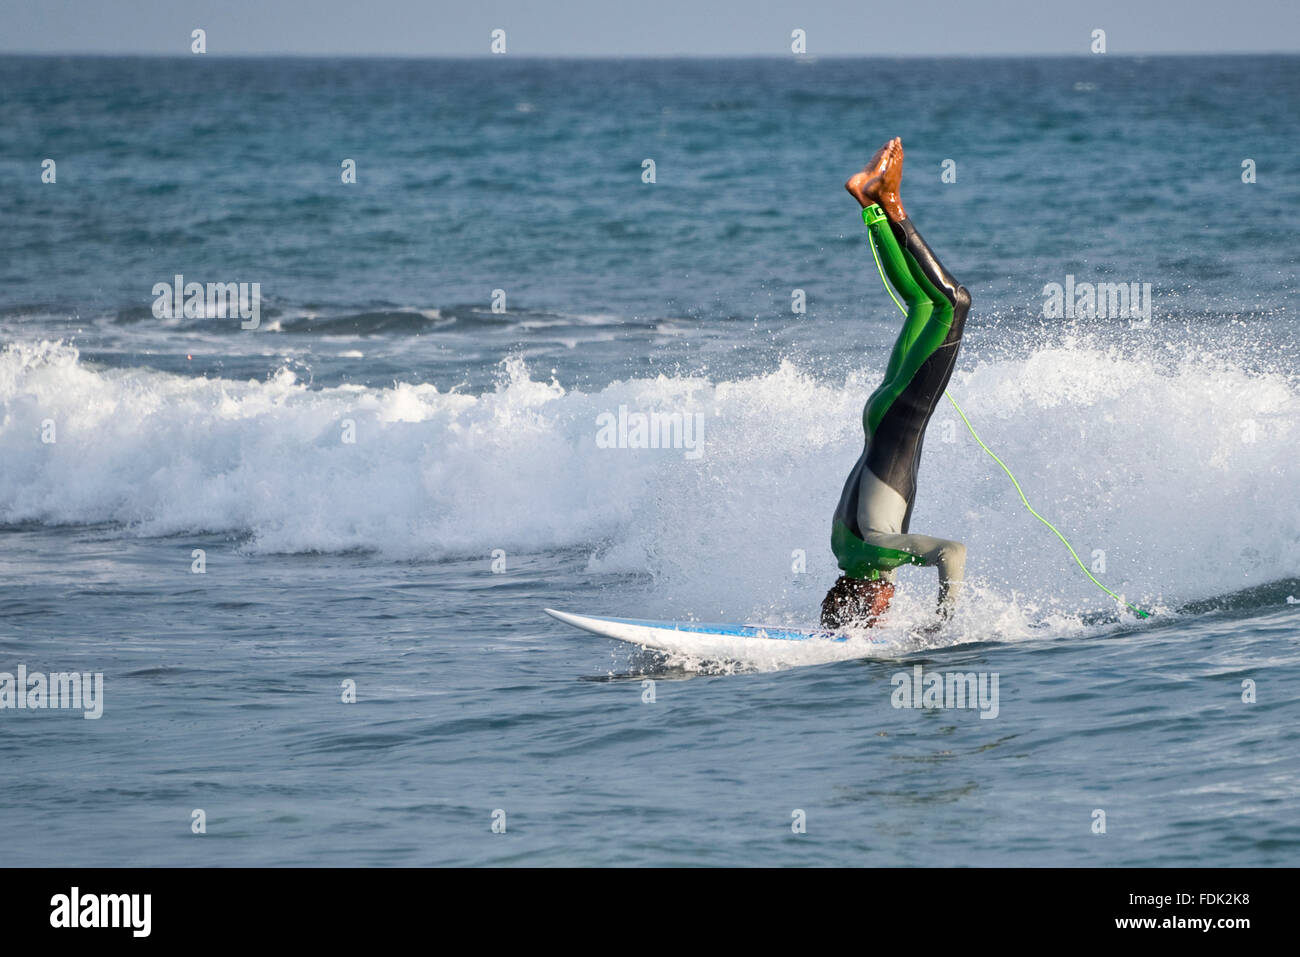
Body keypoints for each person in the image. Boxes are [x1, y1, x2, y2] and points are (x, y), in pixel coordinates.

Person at [822, 137, 971, 629]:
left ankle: (888, 203)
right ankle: (869, 202)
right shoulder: (842, 550)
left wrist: (943, 623)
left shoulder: (876, 556)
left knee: (954, 302)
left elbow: (951, 553)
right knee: (924, 306)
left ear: (870, 604)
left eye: (880, 615)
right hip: (878, 417)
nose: (891, 611)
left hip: (902, 414)